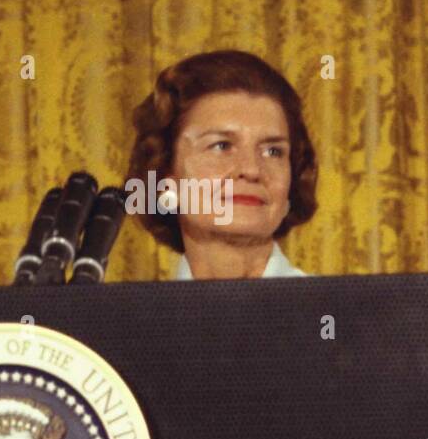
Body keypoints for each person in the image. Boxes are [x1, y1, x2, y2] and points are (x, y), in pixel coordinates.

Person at [127, 50, 317, 279]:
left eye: (273, 151)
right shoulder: (137, 314)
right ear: (165, 176)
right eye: (222, 146)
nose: (251, 170)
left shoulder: (338, 312)